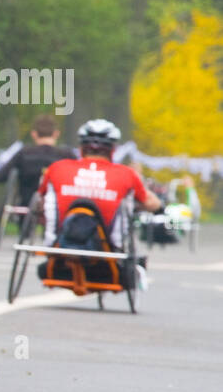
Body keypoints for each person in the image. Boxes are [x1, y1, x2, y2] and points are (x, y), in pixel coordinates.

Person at [35, 118, 164, 285]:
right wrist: (161, 207)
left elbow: (40, 198)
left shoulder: (57, 168)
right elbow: (150, 202)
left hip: (60, 248)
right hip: (107, 253)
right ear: (113, 149)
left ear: (81, 148)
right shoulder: (127, 174)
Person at [0, 114, 75, 208]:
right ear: (56, 134)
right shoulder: (67, 155)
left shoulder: (24, 154)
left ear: (34, 134)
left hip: (26, 210)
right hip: (58, 210)